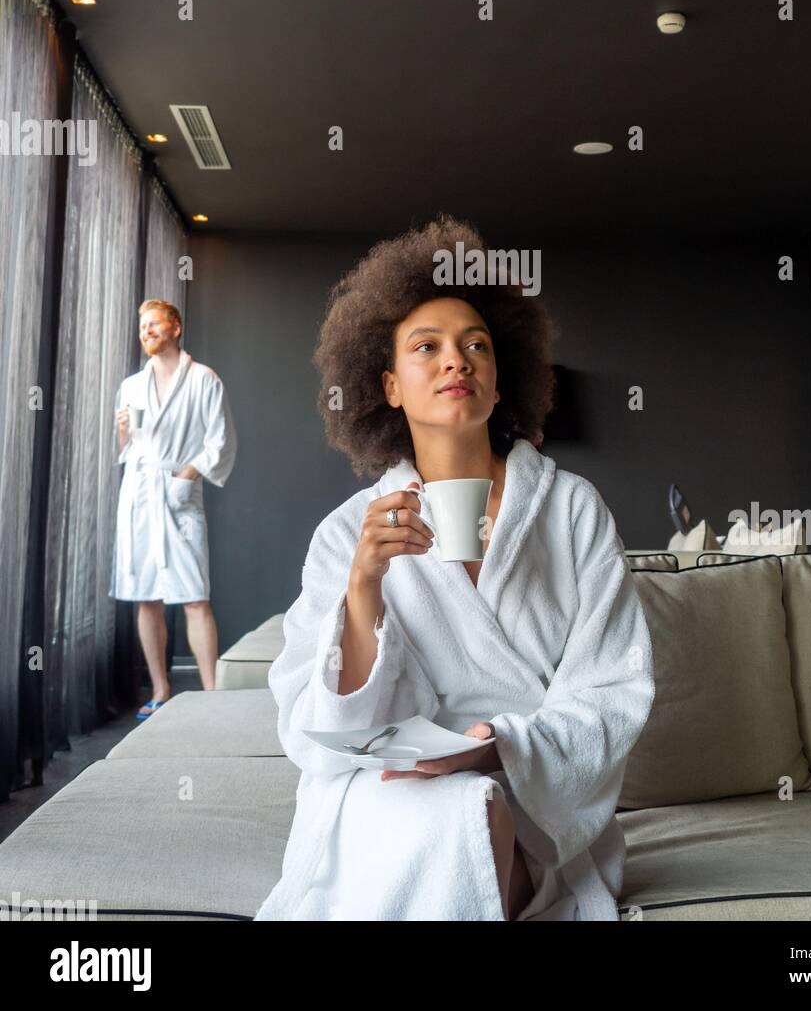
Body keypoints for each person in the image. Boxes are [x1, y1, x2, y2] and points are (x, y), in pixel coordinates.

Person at [255, 214, 655, 922]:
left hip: (532, 802)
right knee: (443, 813)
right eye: (427, 347)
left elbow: (613, 691)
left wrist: (502, 748)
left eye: (477, 346)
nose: (457, 360)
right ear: (389, 387)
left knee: (479, 806)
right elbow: (314, 727)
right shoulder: (349, 533)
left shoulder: (570, 511)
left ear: (501, 382)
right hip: (386, 789)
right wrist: (362, 589)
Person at [112, 299, 237, 719]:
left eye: (154, 323)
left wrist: (186, 476)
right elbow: (125, 450)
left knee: (194, 597)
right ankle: (161, 689)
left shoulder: (204, 380)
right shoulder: (131, 385)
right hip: (140, 497)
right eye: (141, 326)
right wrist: (122, 433)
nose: (146, 330)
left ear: (176, 326)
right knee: (145, 597)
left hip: (178, 495)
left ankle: (211, 691)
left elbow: (218, 441)